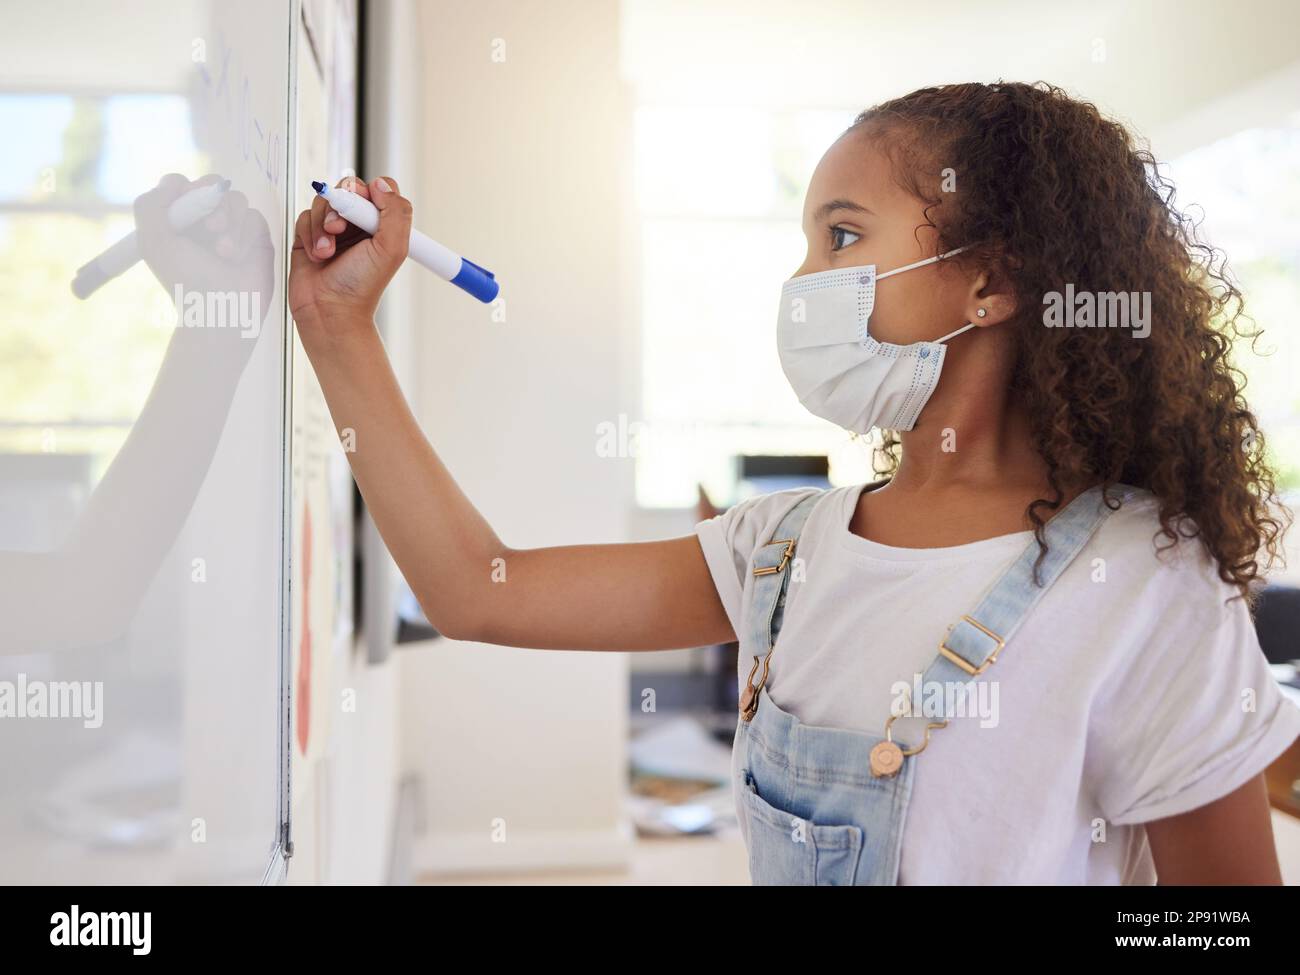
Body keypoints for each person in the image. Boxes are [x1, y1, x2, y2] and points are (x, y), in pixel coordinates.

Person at [288, 81, 1300, 885]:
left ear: (989, 280)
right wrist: (337, 331)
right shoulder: (777, 548)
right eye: (808, 242)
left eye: (842, 236)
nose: (804, 281)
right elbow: (473, 589)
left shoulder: (1141, 582)